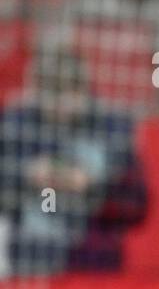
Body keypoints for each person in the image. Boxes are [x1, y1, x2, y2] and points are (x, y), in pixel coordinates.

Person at [0, 50, 148, 275]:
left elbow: (136, 208)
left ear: (83, 91)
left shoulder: (112, 131)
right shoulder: (14, 129)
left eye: (68, 91)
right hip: (31, 268)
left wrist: (93, 187)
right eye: (51, 91)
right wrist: (25, 176)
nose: (60, 103)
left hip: (95, 267)